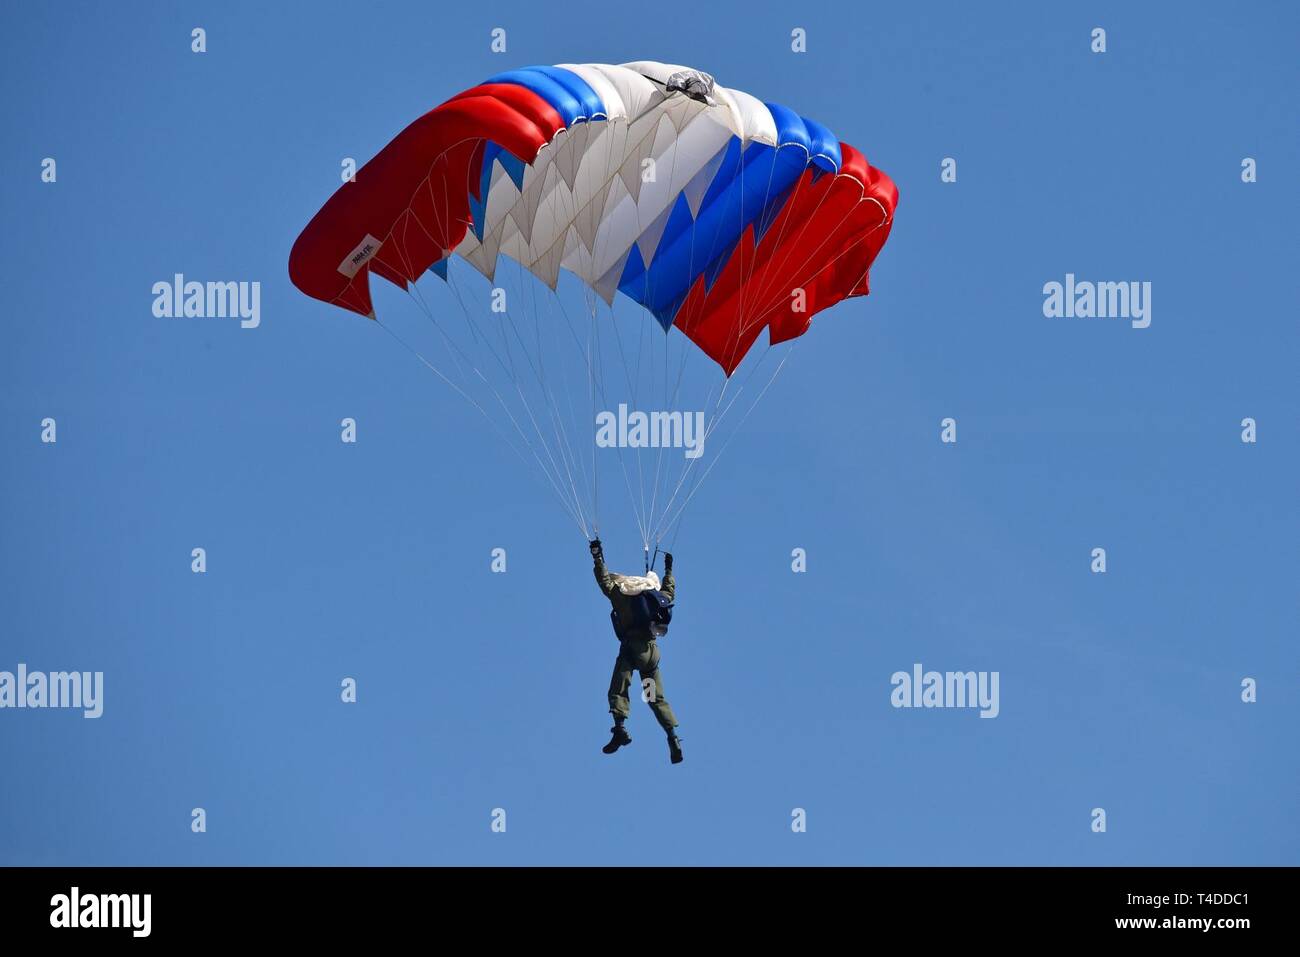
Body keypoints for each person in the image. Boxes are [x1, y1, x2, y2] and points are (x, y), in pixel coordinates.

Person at [589, 538, 683, 764]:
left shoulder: (621, 596)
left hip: (633, 650)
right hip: (651, 654)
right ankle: (673, 737)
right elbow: (669, 592)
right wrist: (669, 569)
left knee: (618, 686)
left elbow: (604, 580)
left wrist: (597, 556)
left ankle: (619, 728)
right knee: (654, 697)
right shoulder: (652, 595)